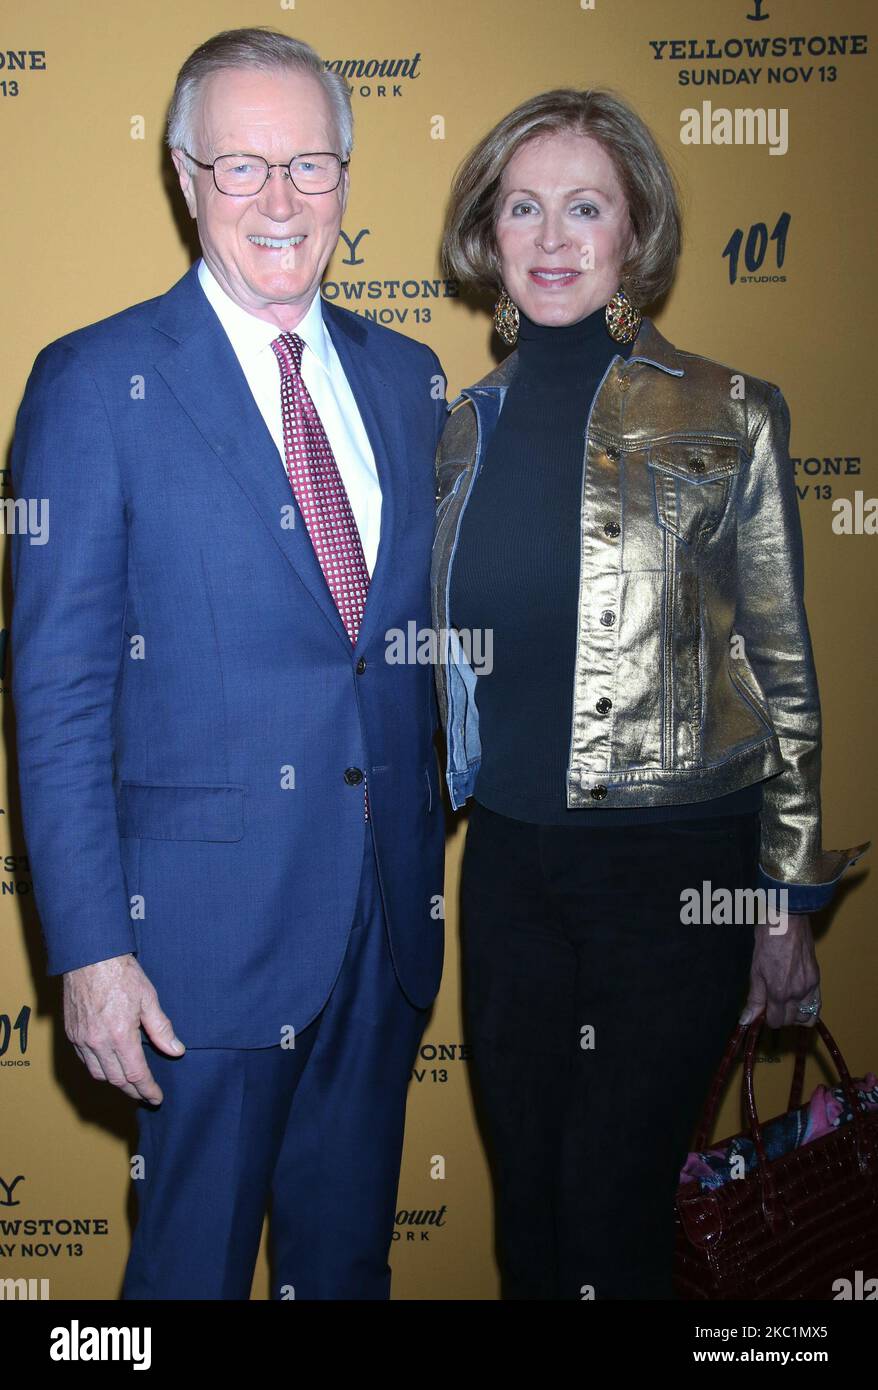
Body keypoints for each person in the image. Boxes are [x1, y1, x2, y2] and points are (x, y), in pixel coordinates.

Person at [10, 27, 446, 1300]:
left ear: (348, 182)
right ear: (185, 175)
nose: (278, 199)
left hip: (382, 924)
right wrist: (89, 952)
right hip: (193, 948)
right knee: (187, 1278)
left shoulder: (410, 380)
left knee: (345, 1267)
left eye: (308, 166)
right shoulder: (95, 384)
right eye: (242, 166)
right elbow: (57, 692)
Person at [432, 87, 870, 1300]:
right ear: (487, 233)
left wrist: (780, 901)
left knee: (613, 1216)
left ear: (634, 234)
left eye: (586, 206)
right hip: (510, 870)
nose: (553, 236)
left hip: (678, 875)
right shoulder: (453, 435)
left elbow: (782, 668)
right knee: (530, 1220)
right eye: (523, 206)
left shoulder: (729, 413)